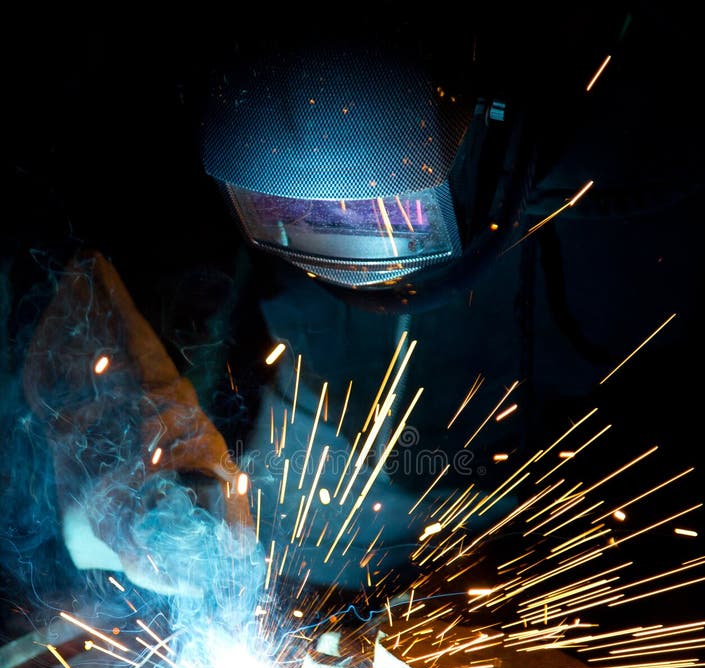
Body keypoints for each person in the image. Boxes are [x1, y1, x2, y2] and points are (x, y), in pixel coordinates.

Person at [1, 5, 702, 616]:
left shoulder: (653, 153)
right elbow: (91, 286)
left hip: (568, 512)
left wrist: (574, 593)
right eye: (300, 212)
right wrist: (134, 473)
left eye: (385, 214)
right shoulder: (207, 101)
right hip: (319, 500)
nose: (342, 232)